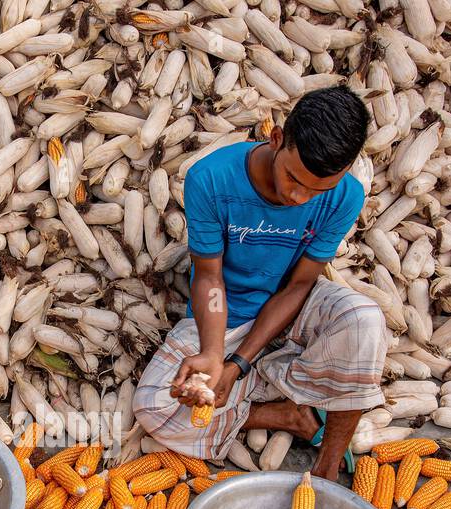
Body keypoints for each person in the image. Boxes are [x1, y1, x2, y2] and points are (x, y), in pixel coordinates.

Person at [133, 86, 389, 481]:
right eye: (293, 178)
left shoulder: (346, 194)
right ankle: (286, 414)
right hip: (228, 312)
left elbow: (300, 286)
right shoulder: (211, 179)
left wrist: (239, 364)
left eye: (317, 190)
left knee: (365, 320)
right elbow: (210, 277)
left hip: (292, 308)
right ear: (277, 138)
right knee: (153, 407)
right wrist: (216, 355)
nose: (299, 197)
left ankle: (328, 467)